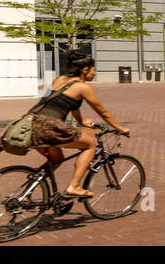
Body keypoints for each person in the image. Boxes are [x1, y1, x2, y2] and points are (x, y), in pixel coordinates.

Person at [30, 54, 130, 199]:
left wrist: (81, 122)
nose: (95, 73)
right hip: (50, 125)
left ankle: (27, 192)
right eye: (93, 70)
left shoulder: (60, 80)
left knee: (56, 159)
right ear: (85, 70)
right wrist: (120, 128)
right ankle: (74, 186)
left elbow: (68, 103)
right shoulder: (83, 87)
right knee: (90, 145)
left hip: (33, 123)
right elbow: (103, 112)